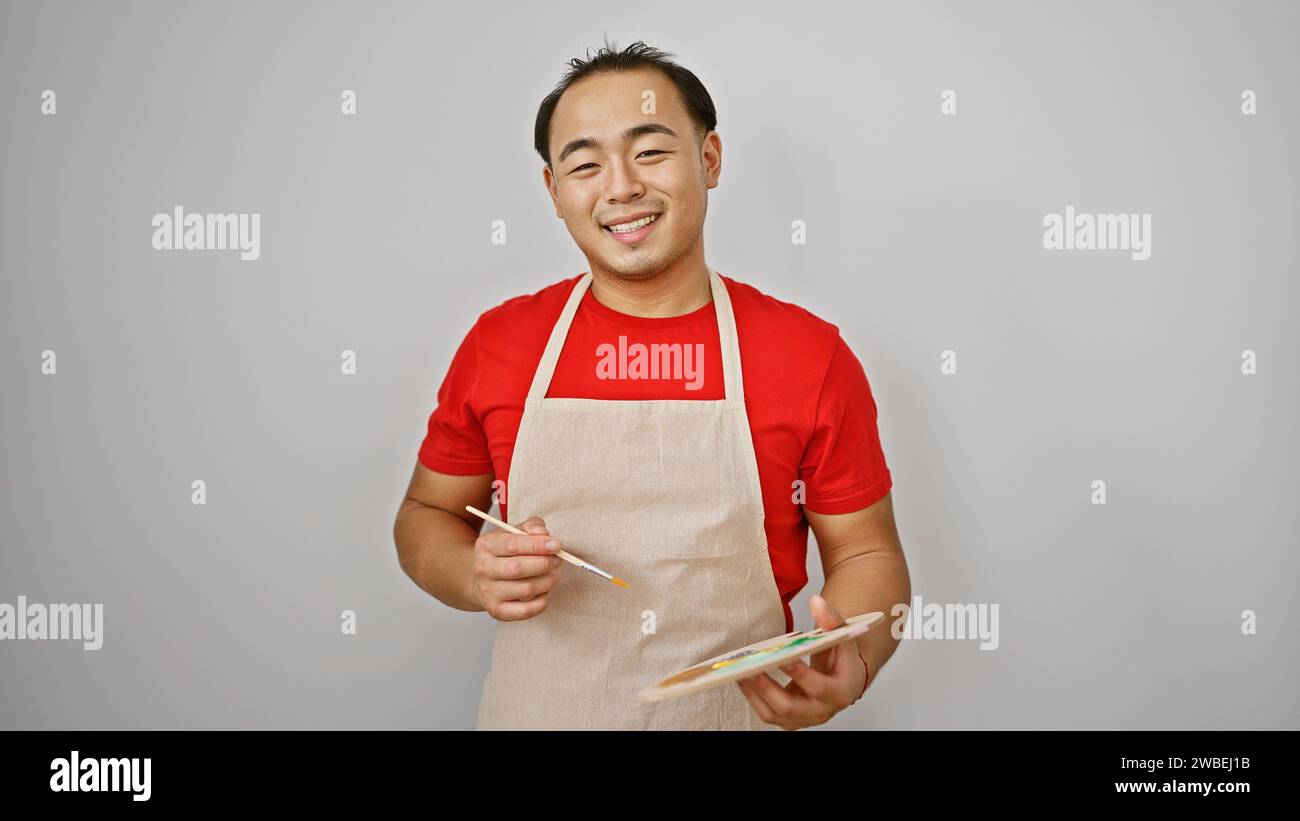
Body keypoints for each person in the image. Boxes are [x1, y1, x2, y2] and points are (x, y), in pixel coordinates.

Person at [393, 41, 910, 730]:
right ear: (554, 192)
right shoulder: (502, 344)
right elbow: (425, 516)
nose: (621, 186)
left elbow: (867, 552)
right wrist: (473, 574)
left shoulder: (809, 354)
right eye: (584, 163)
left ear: (710, 160)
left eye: (651, 151)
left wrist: (856, 659)